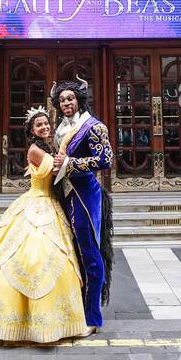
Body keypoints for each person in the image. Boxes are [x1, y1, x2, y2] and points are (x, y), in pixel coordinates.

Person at [0, 108, 90, 344]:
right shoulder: (35, 150)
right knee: (31, 256)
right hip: (37, 203)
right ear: (32, 130)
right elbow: (58, 169)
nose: (44, 127)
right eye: (39, 125)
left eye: (46, 123)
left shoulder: (50, 147)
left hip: (50, 203)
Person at [50, 78, 114, 332]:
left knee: (90, 253)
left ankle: (92, 317)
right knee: (73, 252)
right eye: (62, 100)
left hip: (85, 194)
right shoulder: (60, 129)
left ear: (79, 100)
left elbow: (106, 159)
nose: (66, 103)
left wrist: (70, 164)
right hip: (65, 194)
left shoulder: (93, 127)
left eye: (70, 98)